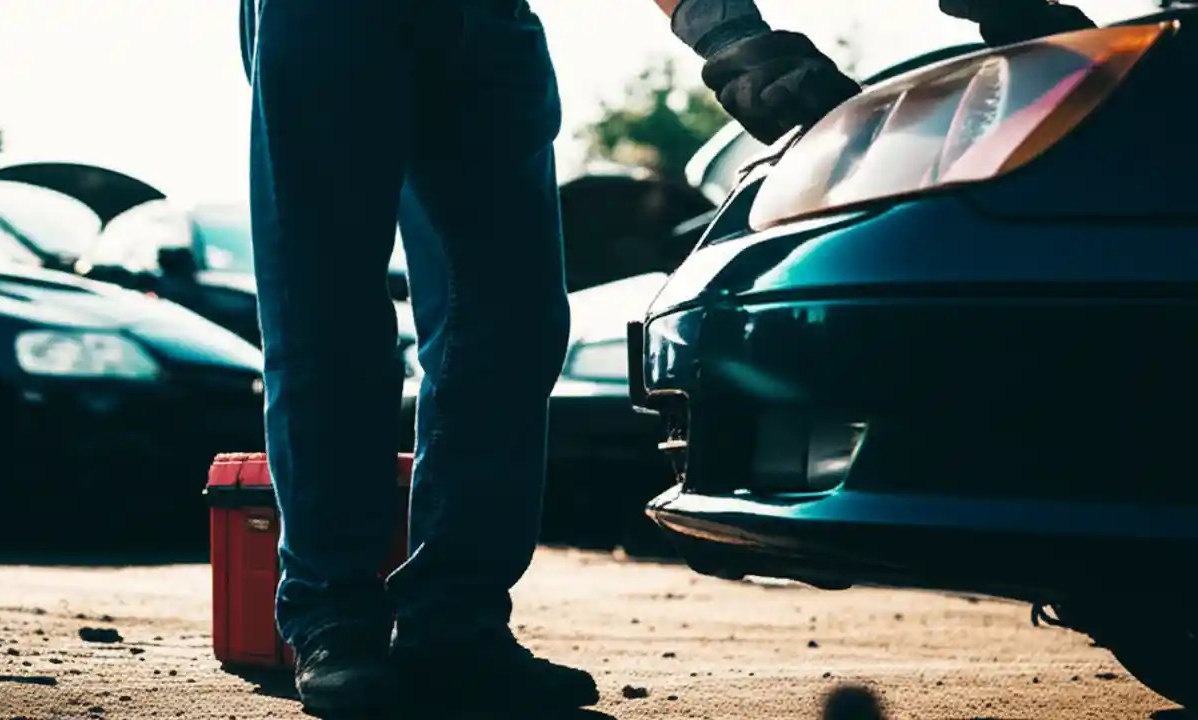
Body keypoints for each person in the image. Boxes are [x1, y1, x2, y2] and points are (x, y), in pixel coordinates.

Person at [237, 0, 1091, 713]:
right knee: (329, 310)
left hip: (483, 20)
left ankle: (453, 624)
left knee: (509, 321)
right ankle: (334, 620)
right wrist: (728, 34)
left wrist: (730, 38)